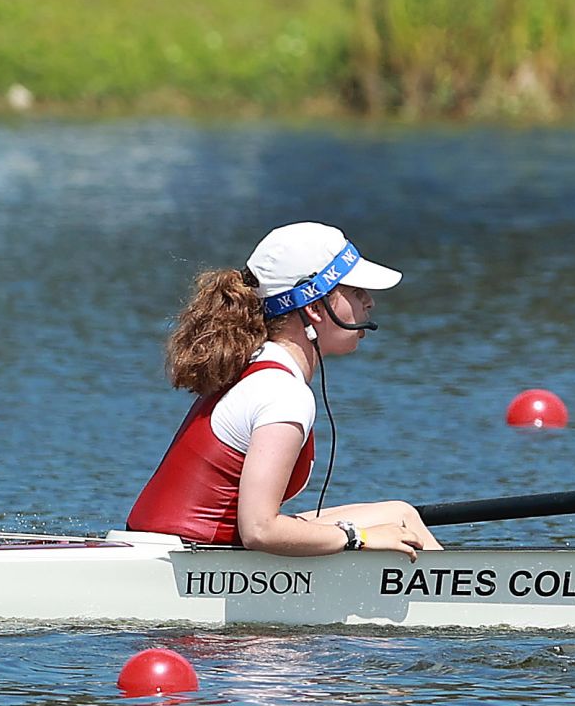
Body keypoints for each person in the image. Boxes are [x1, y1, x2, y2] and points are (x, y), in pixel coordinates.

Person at [127, 222, 442, 559]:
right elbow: (261, 530)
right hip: (188, 559)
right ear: (314, 308)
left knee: (401, 515)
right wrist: (357, 537)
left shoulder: (250, 364)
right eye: (354, 291)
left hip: (181, 545)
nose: (369, 303)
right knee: (392, 527)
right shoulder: (283, 394)